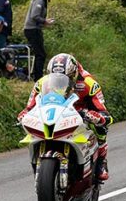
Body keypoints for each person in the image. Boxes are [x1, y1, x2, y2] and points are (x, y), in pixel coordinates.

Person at [17, 53, 113, 181]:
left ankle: (101, 161)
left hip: (81, 113)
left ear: (73, 74)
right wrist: (24, 113)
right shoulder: (41, 83)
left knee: (101, 127)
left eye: (64, 78)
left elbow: (104, 112)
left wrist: (98, 117)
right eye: (55, 78)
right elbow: (30, 107)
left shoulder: (89, 83)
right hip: (57, 113)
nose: (59, 81)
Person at [23, 0, 57, 82]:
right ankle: (38, 78)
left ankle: (35, 75)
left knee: (39, 53)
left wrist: (45, 23)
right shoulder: (40, 0)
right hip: (32, 29)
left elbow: (37, 18)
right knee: (41, 54)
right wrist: (45, 21)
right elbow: (34, 16)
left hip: (34, 29)